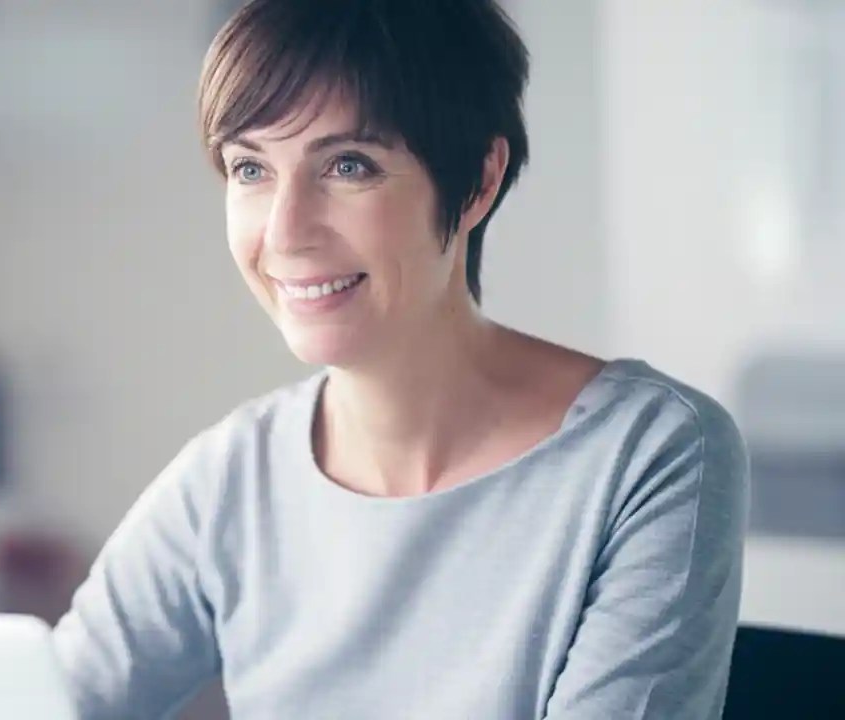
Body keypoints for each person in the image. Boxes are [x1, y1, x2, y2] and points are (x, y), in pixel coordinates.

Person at [52, 0, 750, 717]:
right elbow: (51, 699)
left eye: (348, 165)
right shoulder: (229, 477)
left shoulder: (649, 454)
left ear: (478, 180)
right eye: (250, 168)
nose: (285, 233)